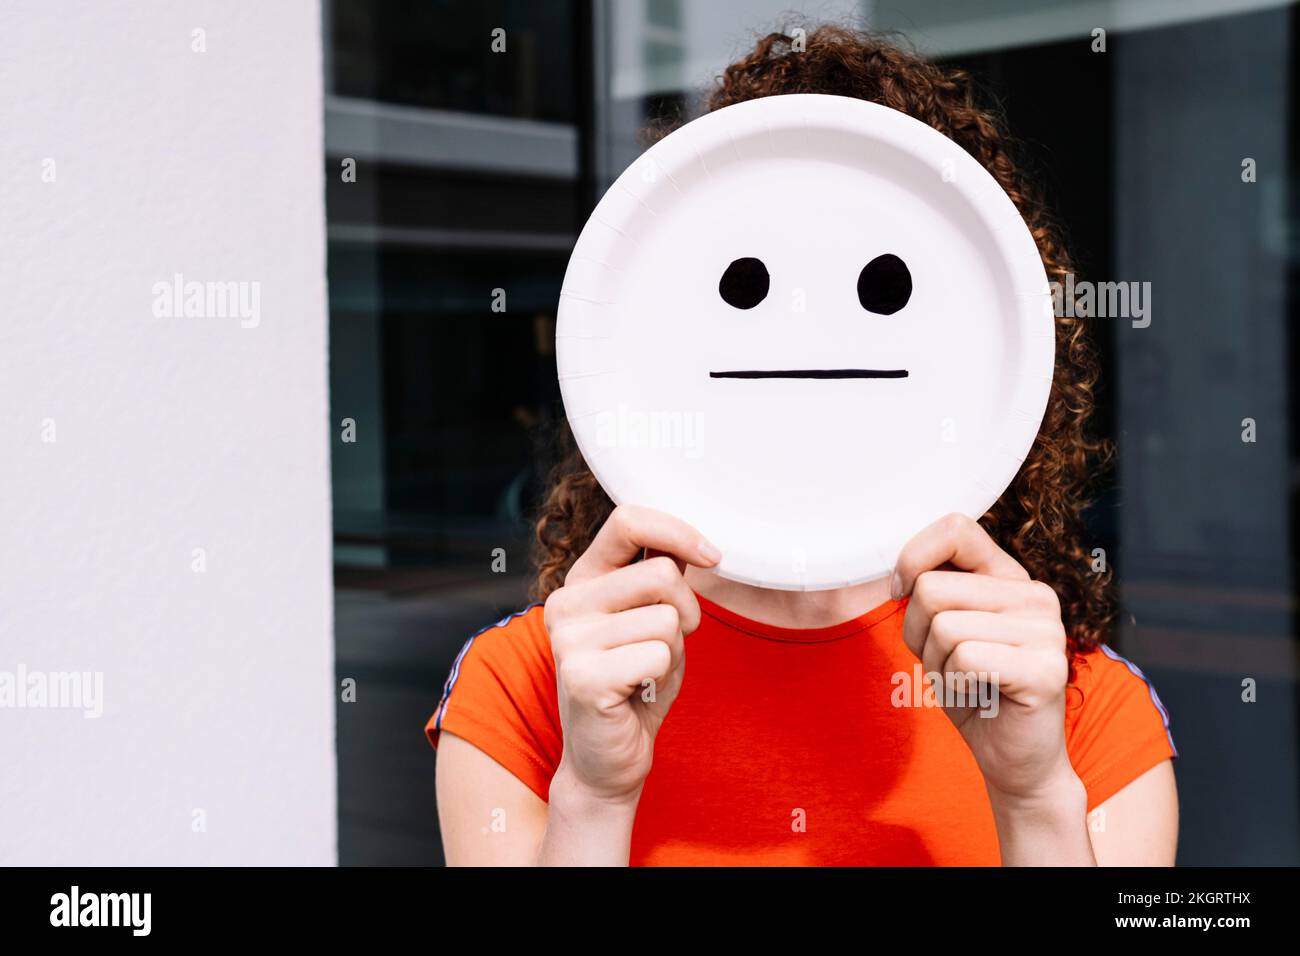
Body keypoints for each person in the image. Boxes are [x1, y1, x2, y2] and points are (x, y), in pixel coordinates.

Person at [427, 25, 1178, 866]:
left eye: (885, 286)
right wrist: (595, 798)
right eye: (745, 285)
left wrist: (1034, 798)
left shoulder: (1073, 704)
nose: (804, 328)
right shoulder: (537, 682)